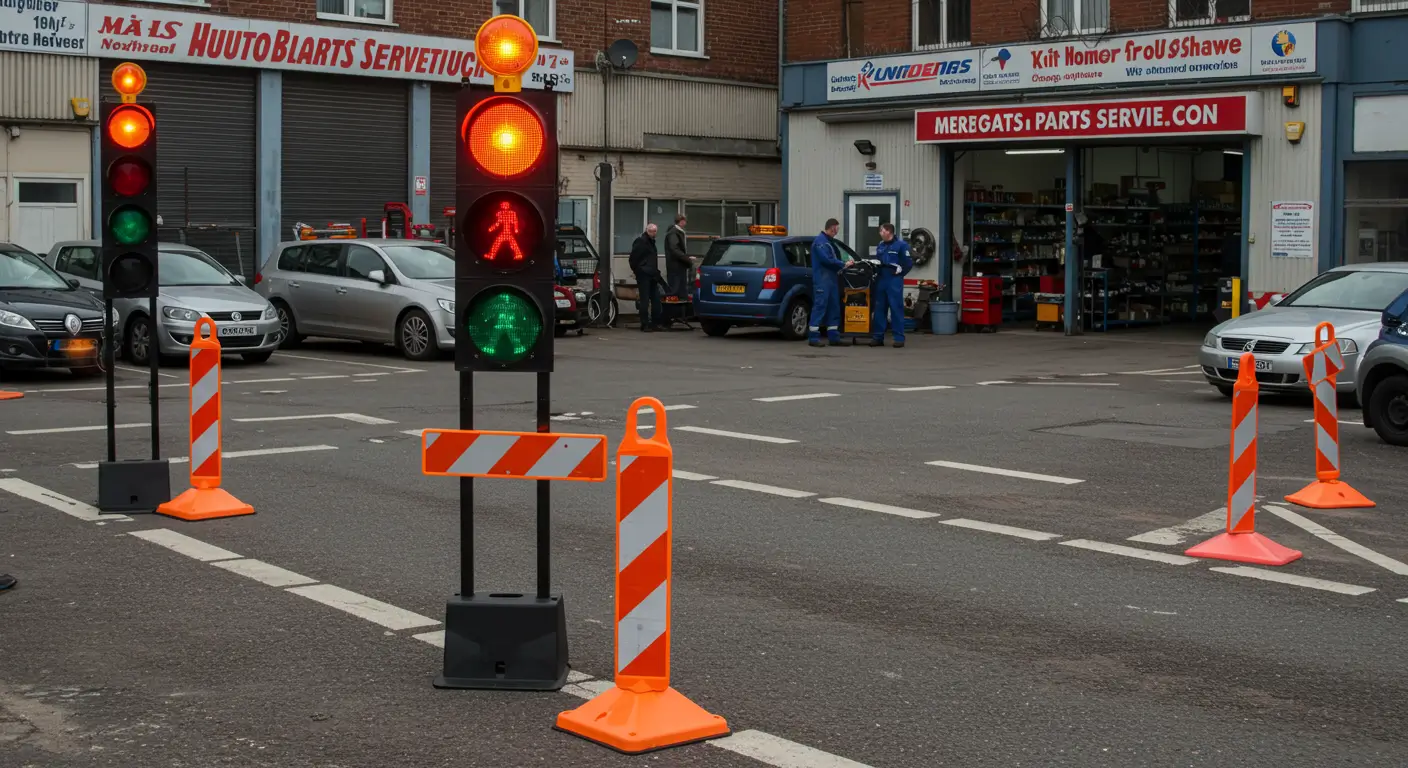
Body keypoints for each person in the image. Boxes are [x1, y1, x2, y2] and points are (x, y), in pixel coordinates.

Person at [871, 223, 914, 348]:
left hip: (894, 280)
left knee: (896, 309)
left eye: (882, 231)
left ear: (888, 232)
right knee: (879, 309)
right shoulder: (880, 245)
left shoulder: (901, 245)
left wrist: (901, 272)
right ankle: (878, 337)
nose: (880, 233)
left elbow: (908, 263)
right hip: (881, 280)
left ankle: (899, 338)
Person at [808, 218, 846, 347]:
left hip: (831, 280)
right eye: (837, 229)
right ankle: (813, 338)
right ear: (832, 228)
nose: (837, 232)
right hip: (822, 281)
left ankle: (834, 337)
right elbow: (827, 260)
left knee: (833, 308)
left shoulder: (829, 242)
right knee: (820, 307)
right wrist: (843, 264)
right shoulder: (821, 242)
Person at [629, 224, 665, 332]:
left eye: (655, 231)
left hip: (651, 273)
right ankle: (645, 324)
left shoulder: (650, 242)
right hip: (645, 274)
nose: (654, 233)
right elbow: (633, 259)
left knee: (655, 299)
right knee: (645, 299)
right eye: (652, 231)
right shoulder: (641, 242)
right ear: (647, 231)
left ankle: (654, 323)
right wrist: (638, 270)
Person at [664, 214, 692, 299]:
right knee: (676, 289)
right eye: (685, 221)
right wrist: (686, 258)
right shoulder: (674, 233)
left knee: (679, 288)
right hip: (676, 266)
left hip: (678, 265)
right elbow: (674, 249)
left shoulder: (676, 232)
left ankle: (681, 303)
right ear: (682, 221)